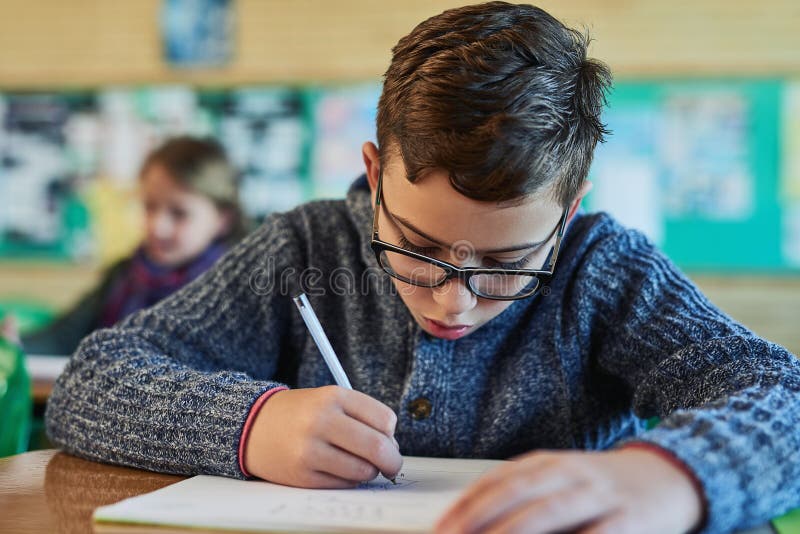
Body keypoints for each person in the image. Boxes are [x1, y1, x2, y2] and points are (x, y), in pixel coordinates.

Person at [45, 3, 799, 533]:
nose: (453, 301)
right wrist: (250, 424)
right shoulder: (306, 249)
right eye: (417, 246)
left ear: (567, 214)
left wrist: (670, 476)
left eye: (506, 263)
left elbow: (784, 396)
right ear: (376, 176)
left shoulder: (604, 269)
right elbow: (91, 380)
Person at [3, 136, 246, 355]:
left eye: (179, 213)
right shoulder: (123, 274)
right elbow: (60, 339)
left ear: (223, 220)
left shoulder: (237, 296)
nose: (158, 227)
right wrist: (12, 343)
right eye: (150, 206)